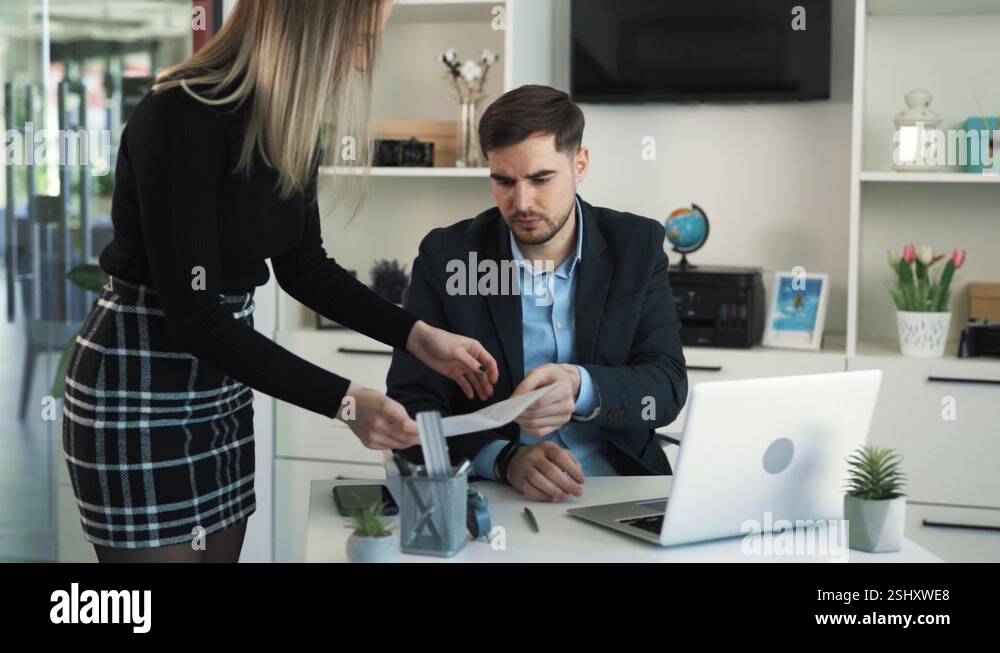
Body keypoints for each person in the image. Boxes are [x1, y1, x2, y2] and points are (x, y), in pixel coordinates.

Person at [62, 0, 498, 563]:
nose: (364, 62)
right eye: (359, 38)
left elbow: (302, 264)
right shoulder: (179, 116)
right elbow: (195, 316)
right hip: (140, 390)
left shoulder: (287, 121)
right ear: (308, 26)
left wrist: (416, 334)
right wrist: (345, 403)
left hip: (220, 391)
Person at [387, 85, 688, 502]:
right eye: (503, 181)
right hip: (498, 494)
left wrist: (581, 386)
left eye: (540, 178)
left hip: (619, 488)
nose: (521, 202)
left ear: (580, 164)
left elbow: (667, 386)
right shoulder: (448, 258)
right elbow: (412, 404)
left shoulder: (636, 245)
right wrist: (503, 459)